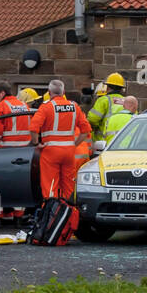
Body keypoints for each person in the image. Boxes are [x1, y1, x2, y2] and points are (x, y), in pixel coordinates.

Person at [29, 79, 92, 216]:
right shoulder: (74, 106)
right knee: (68, 186)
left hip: (50, 151)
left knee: (50, 186)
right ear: (64, 92)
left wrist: (36, 143)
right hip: (69, 152)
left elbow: (33, 128)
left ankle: (51, 217)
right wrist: (74, 144)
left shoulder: (46, 106)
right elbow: (86, 130)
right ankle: (68, 217)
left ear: (49, 92)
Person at [0, 82, 31, 147]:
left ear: (2, 93)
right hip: (26, 148)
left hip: (8, 149)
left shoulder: (2, 106)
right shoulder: (24, 105)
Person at [87, 72, 127, 141]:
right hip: (125, 141)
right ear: (121, 88)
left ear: (107, 87)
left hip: (104, 141)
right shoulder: (128, 101)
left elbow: (92, 119)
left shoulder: (103, 100)